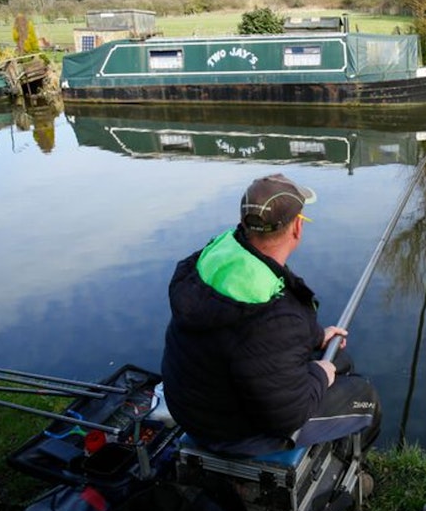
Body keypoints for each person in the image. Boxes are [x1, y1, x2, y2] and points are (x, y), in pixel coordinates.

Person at [161, 173, 380, 457]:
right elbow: (289, 415)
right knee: (365, 397)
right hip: (232, 433)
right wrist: (320, 374)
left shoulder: (217, 259)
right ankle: (349, 468)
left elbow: (264, 340)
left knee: (339, 358)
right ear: (298, 228)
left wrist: (316, 336)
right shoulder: (274, 315)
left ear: (245, 224)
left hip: (191, 407)